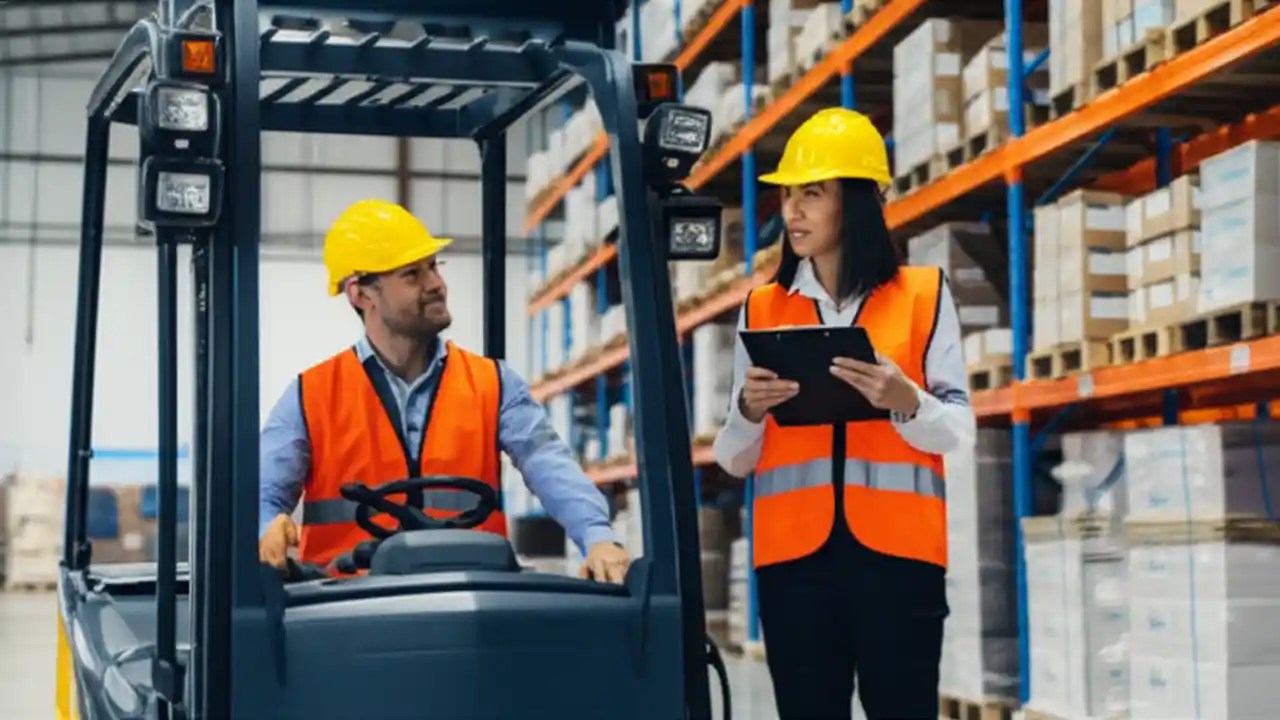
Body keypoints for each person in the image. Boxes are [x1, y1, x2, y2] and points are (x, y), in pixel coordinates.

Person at [712, 108, 977, 719]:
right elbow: (733, 458)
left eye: (813, 193)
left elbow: (959, 430)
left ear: (856, 202)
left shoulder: (923, 295)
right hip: (794, 567)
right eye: (788, 196)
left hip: (899, 563)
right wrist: (749, 412)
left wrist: (906, 402)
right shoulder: (763, 307)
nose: (793, 212)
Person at [257, 199, 631, 583]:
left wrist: (598, 538)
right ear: (361, 294)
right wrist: (266, 528)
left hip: (470, 603)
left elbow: (549, 465)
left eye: (434, 267)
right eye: (412, 274)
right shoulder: (311, 394)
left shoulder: (492, 383)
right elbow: (262, 494)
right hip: (346, 608)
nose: (436, 284)